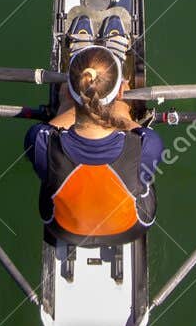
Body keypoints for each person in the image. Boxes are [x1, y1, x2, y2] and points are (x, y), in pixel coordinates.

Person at [24, 26, 161, 244]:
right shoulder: (148, 143)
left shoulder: (37, 139)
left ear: (68, 90)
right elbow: (134, 129)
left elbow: (47, 130)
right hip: (132, 227)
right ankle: (115, 56)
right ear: (120, 92)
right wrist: (120, 109)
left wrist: (67, 106)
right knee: (139, 173)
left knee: (49, 167)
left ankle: (77, 92)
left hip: (61, 228)